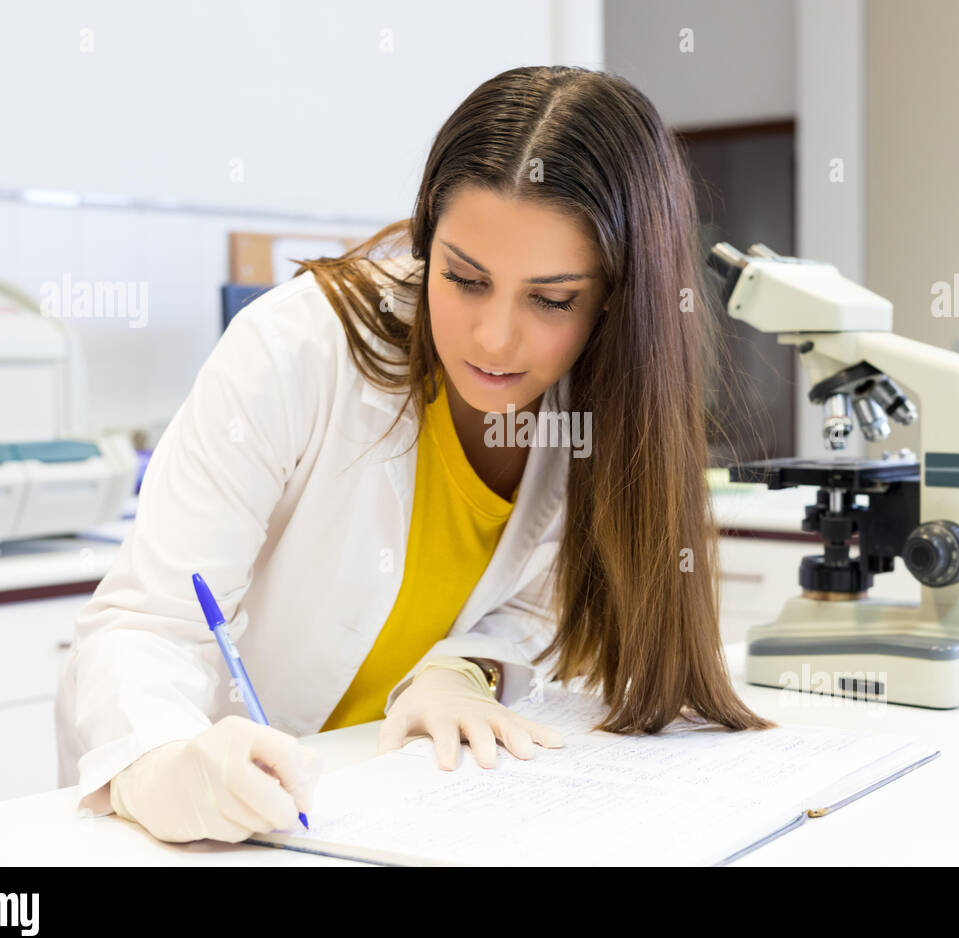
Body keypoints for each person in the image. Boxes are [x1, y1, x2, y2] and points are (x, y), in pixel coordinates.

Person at [55, 64, 775, 846]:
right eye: (465, 279)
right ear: (428, 241)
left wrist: (462, 671)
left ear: (616, 298)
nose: (495, 338)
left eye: (552, 299)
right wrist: (163, 762)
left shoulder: (600, 412)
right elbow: (145, 623)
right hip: (232, 831)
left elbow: (525, 613)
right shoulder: (294, 353)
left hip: (416, 814)